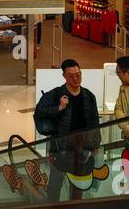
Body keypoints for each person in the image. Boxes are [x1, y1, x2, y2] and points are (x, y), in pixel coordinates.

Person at [34, 58, 100, 201]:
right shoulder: (56, 94)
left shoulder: (89, 96)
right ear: (64, 76)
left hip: (82, 148)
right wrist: (59, 108)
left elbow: (95, 122)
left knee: (78, 185)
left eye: (78, 74)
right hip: (60, 149)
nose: (76, 78)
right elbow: (39, 112)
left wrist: (96, 146)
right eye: (71, 76)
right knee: (55, 184)